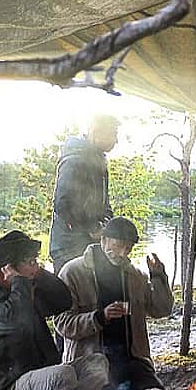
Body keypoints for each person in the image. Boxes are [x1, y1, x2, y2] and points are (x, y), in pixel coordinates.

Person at [0, 230, 108, 390]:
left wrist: (37, 275)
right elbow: (16, 321)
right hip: (9, 385)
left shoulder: (27, 286)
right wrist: (19, 282)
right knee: (64, 374)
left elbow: (62, 300)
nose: (36, 266)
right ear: (10, 267)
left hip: (38, 376)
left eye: (36, 261)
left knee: (97, 364)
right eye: (30, 261)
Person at [54, 217, 174, 390]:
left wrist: (159, 277)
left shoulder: (136, 276)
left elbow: (161, 310)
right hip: (92, 363)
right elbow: (62, 324)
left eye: (128, 248)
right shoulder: (73, 273)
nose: (123, 253)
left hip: (132, 360)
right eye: (118, 246)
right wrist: (99, 317)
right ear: (104, 240)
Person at [49, 115, 120, 275]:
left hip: (87, 243)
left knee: (94, 295)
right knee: (71, 297)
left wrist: (109, 225)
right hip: (69, 246)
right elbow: (62, 204)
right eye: (113, 134)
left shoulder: (97, 160)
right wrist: (92, 227)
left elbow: (103, 203)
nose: (116, 141)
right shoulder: (75, 160)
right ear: (95, 132)